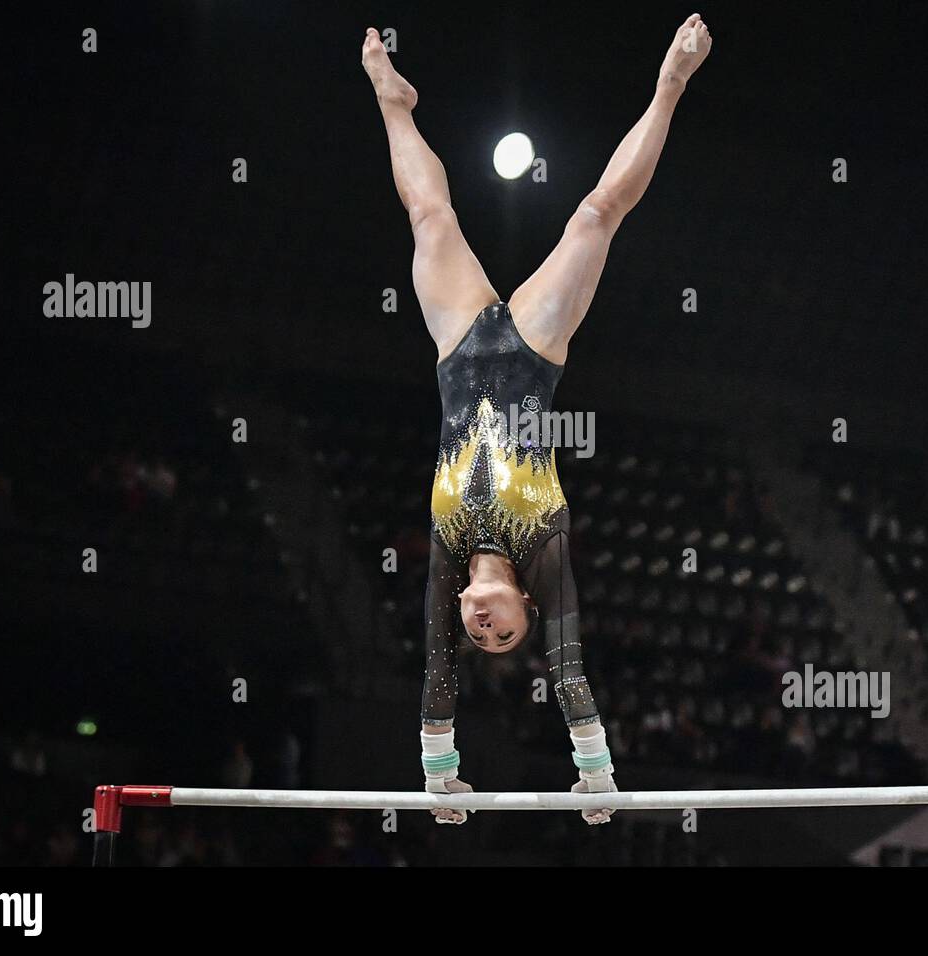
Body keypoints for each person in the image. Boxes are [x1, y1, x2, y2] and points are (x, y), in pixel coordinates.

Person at [362, 14, 712, 825]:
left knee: (428, 219)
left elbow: (435, 670)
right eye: (501, 633)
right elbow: (568, 665)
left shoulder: (450, 555)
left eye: (477, 633)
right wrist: (596, 775)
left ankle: (391, 102)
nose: (481, 626)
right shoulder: (544, 542)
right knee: (594, 215)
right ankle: (671, 83)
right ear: (523, 604)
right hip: (531, 352)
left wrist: (437, 776)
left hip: (458, 350)